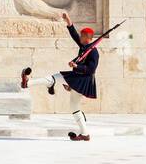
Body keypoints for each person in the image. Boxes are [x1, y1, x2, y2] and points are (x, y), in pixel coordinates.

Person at [21, 11, 99, 141]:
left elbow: (91, 69)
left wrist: (76, 66)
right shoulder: (84, 47)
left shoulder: (93, 52)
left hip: (81, 80)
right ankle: (85, 134)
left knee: (53, 77)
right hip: (78, 80)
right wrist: (68, 20)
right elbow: (73, 34)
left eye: (81, 36)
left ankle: (28, 83)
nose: (79, 37)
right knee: (74, 106)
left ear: (86, 37)